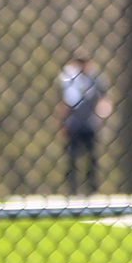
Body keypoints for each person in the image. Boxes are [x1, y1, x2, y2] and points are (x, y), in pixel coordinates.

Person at [56, 51, 110, 195]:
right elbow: (64, 103)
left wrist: (101, 114)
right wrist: (62, 122)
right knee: (72, 157)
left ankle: (91, 189)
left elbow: (103, 99)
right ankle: (72, 189)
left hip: (89, 122)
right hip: (73, 123)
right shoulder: (67, 79)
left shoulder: (95, 79)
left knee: (91, 157)